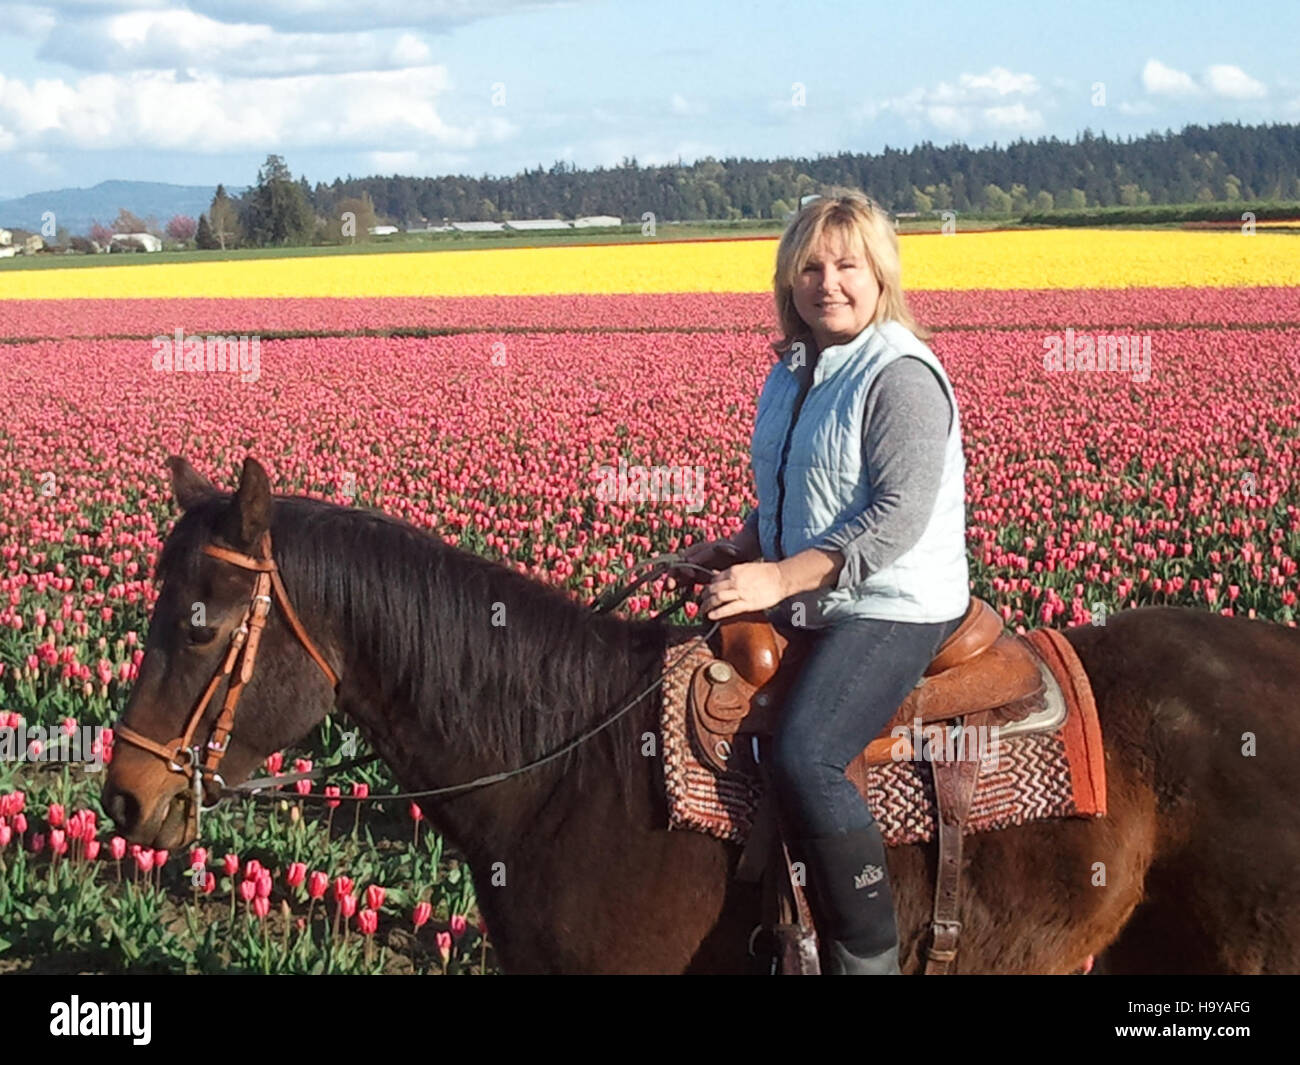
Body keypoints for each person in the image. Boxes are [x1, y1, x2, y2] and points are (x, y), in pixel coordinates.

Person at [667, 189, 971, 974]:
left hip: (893, 600)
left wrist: (779, 576)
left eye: (847, 264)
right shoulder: (796, 369)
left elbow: (895, 516)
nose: (827, 282)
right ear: (787, 279)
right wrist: (737, 548)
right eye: (810, 265)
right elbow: (794, 490)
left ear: (880, 275)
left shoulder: (900, 372)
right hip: (811, 590)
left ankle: (865, 949)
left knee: (807, 752)